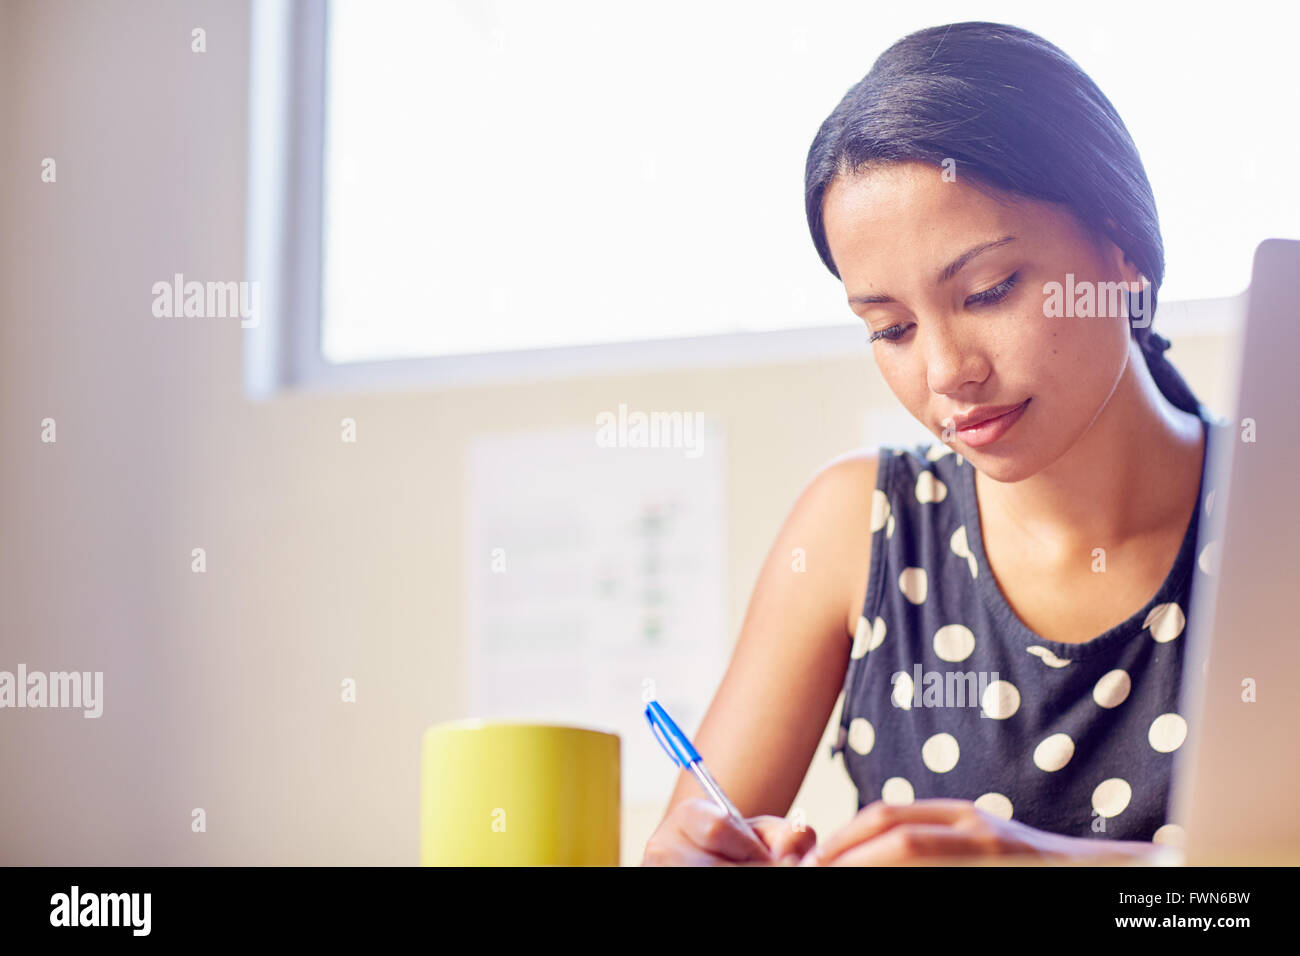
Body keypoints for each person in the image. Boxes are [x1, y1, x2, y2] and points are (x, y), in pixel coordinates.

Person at [643, 20, 1228, 866]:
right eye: (891, 328)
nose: (948, 372)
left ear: (1123, 250)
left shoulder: (1272, 519)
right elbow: (692, 845)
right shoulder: (858, 528)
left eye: (989, 291)